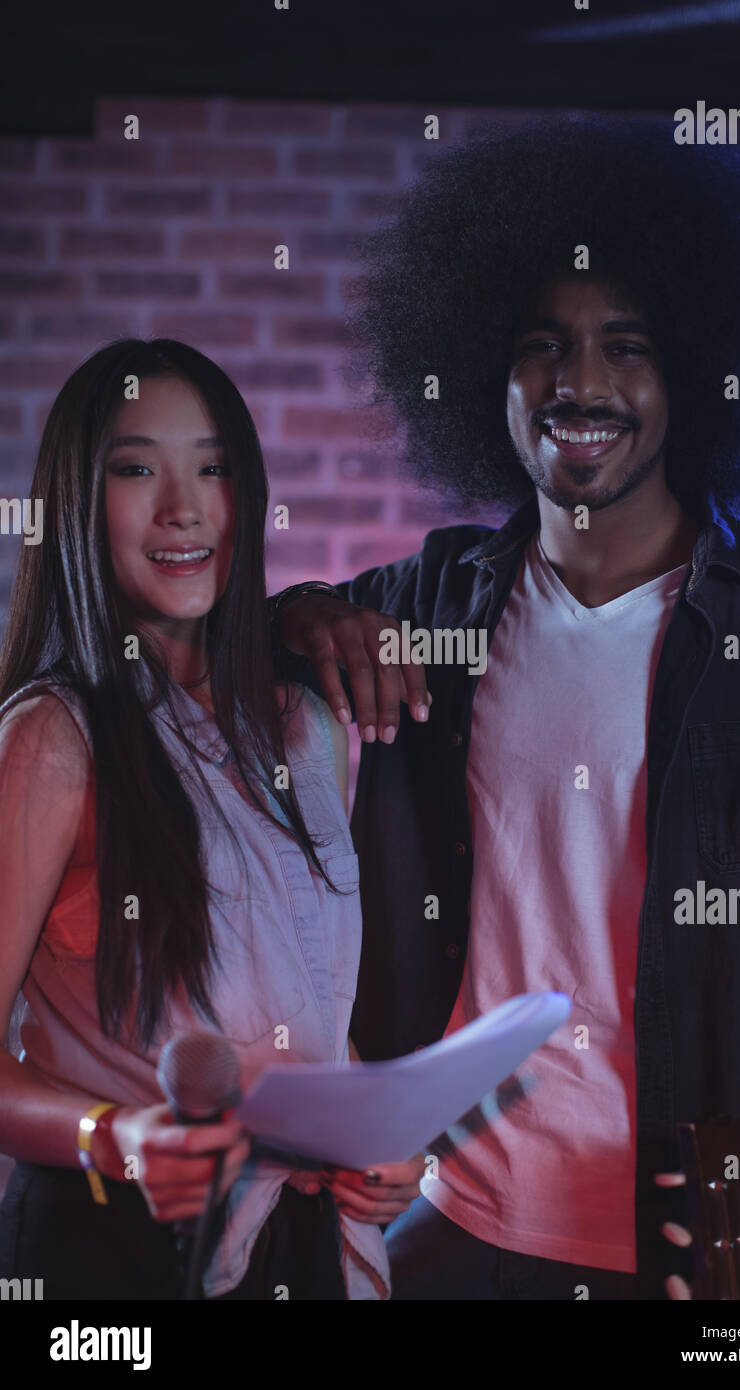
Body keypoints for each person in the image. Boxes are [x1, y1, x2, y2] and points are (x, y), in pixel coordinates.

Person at [271, 117, 740, 1300]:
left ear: (692, 370)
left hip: (691, 1260)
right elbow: (212, 638)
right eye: (542, 345)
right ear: (487, 371)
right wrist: (296, 616)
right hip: (443, 1226)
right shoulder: (434, 598)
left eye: (624, 346)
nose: (579, 383)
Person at [0, 338, 423, 1301]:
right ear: (78, 500)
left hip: (299, 1248)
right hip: (110, 1253)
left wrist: (372, 1143)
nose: (183, 506)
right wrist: (112, 1136)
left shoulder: (304, 727)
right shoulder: (51, 741)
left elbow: (309, 1009)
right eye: (137, 468)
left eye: (214, 467)